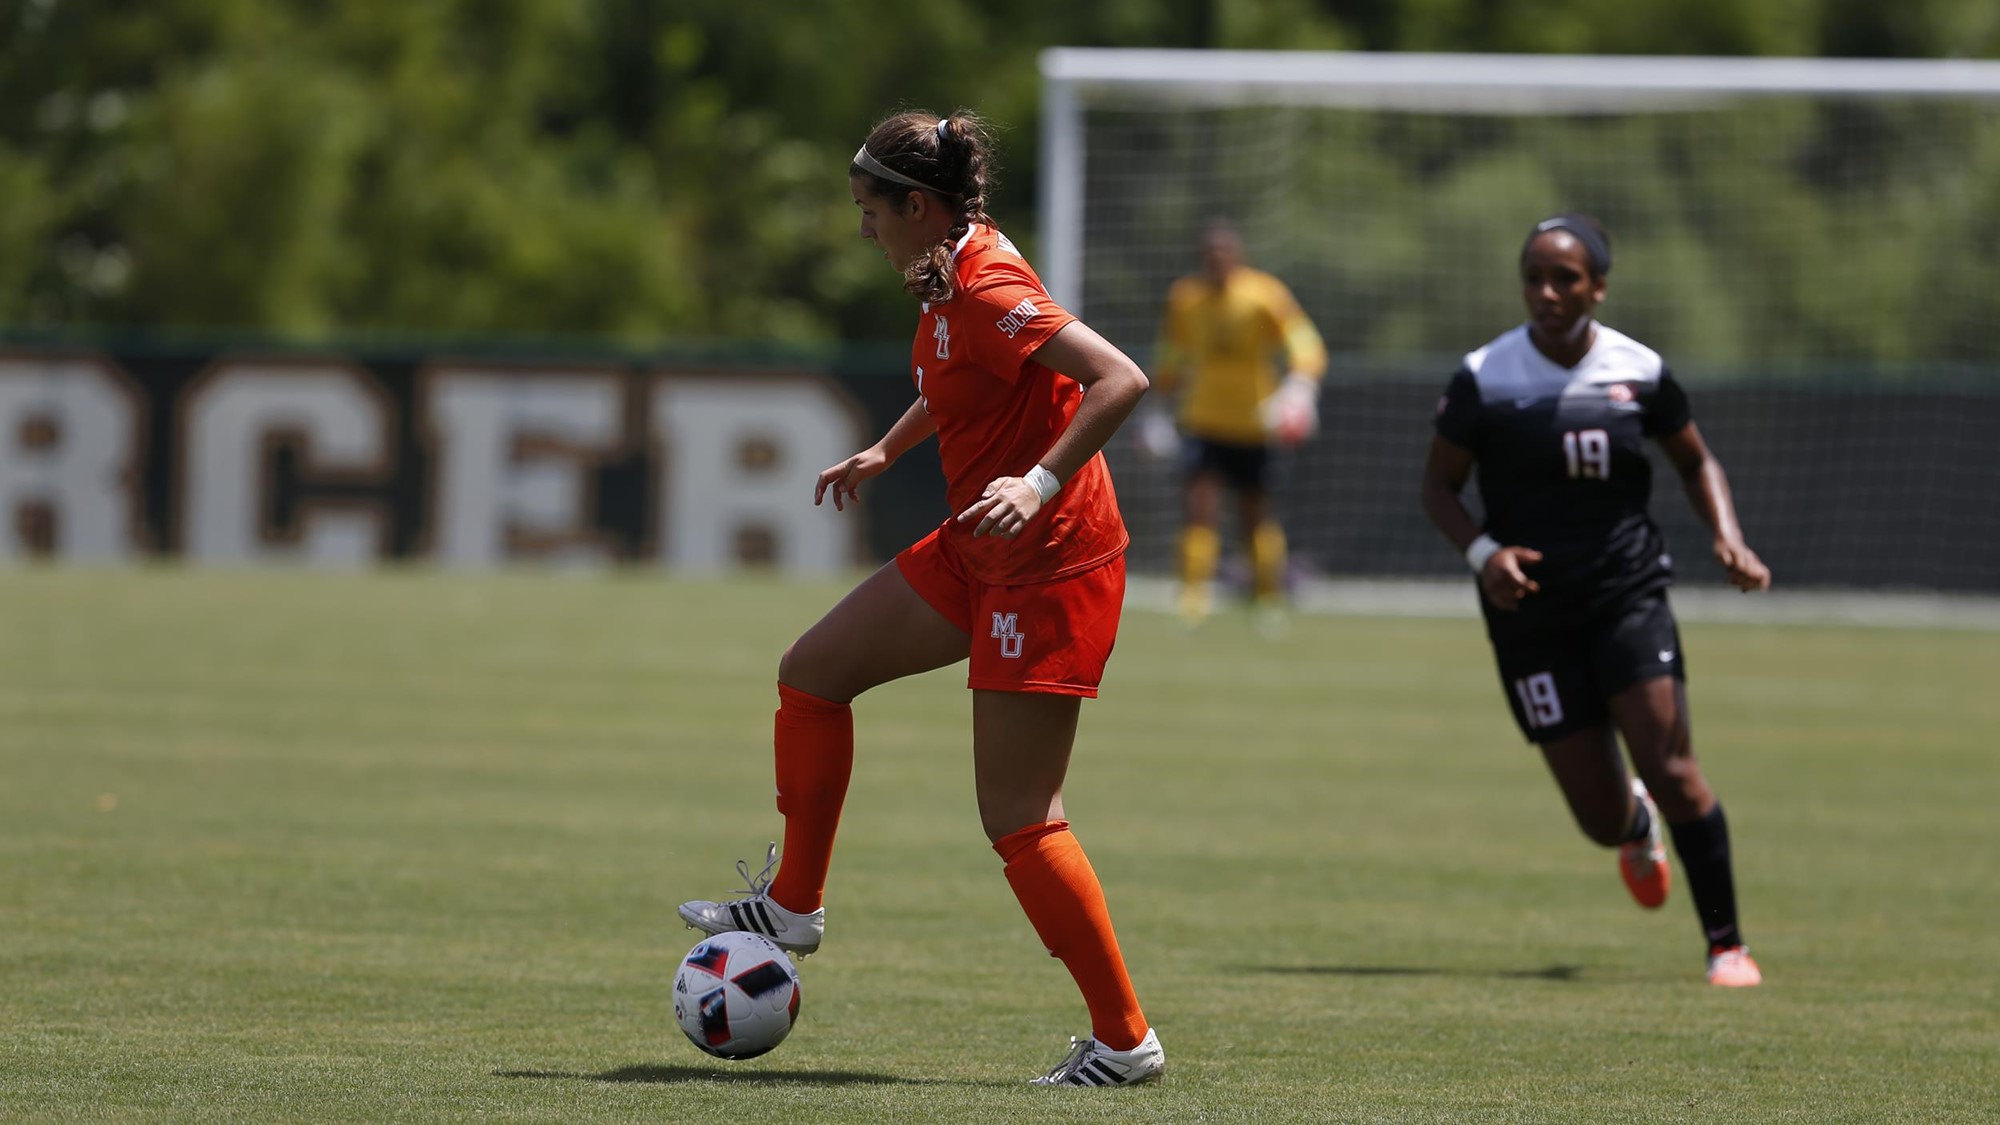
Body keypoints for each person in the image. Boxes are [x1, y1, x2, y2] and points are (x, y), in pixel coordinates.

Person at [677, 109, 1166, 1085]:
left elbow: (1119, 379)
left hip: (1048, 558)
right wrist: (887, 450)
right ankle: (794, 906)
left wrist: (1037, 481)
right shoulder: (942, 270)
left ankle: (1124, 1043)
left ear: (916, 204)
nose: (861, 228)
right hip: (979, 546)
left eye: (869, 209)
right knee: (812, 672)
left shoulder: (984, 281)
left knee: (1019, 817)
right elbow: (965, 379)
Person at [1419, 213, 1771, 988]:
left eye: (1565, 277)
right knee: (1597, 818)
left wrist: (1729, 536)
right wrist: (1486, 554)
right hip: (1529, 615)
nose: (1547, 291)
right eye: (1534, 277)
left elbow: (1696, 459)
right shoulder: (1484, 375)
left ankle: (1727, 945)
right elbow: (1438, 487)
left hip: (1626, 593)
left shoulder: (1639, 371)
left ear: (1598, 287)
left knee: (1674, 766)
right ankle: (1634, 826)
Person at [1148, 219, 1327, 631]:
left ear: (1238, 257)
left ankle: (1267, 598)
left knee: (1255, 515)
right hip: (1203, 420)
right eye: (1210, 257)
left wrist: (1300, 387)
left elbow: (1305, 341)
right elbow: (1172, 354)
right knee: (1199, 508)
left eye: (1224, 255)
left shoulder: (1264, 295)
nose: (1218, 263)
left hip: (1254, 424)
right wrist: (1158, 408)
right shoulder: (1185, 299)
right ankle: (1193, 597)